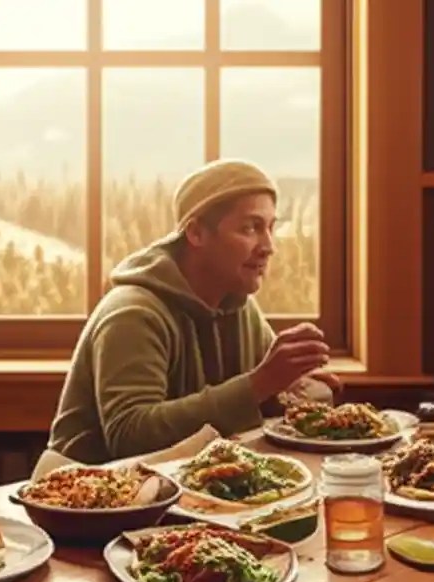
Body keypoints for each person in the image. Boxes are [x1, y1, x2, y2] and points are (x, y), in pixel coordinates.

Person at [47, 158, 339, 464]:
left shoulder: (239, 306)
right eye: (249, 228)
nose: (268, 247)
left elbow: (251, 398)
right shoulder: (132, 313)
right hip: (88, 487)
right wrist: (261, 383)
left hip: (186, 484)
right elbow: (129, 435)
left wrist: (288, 387)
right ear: (196, 233)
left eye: (270, 228)